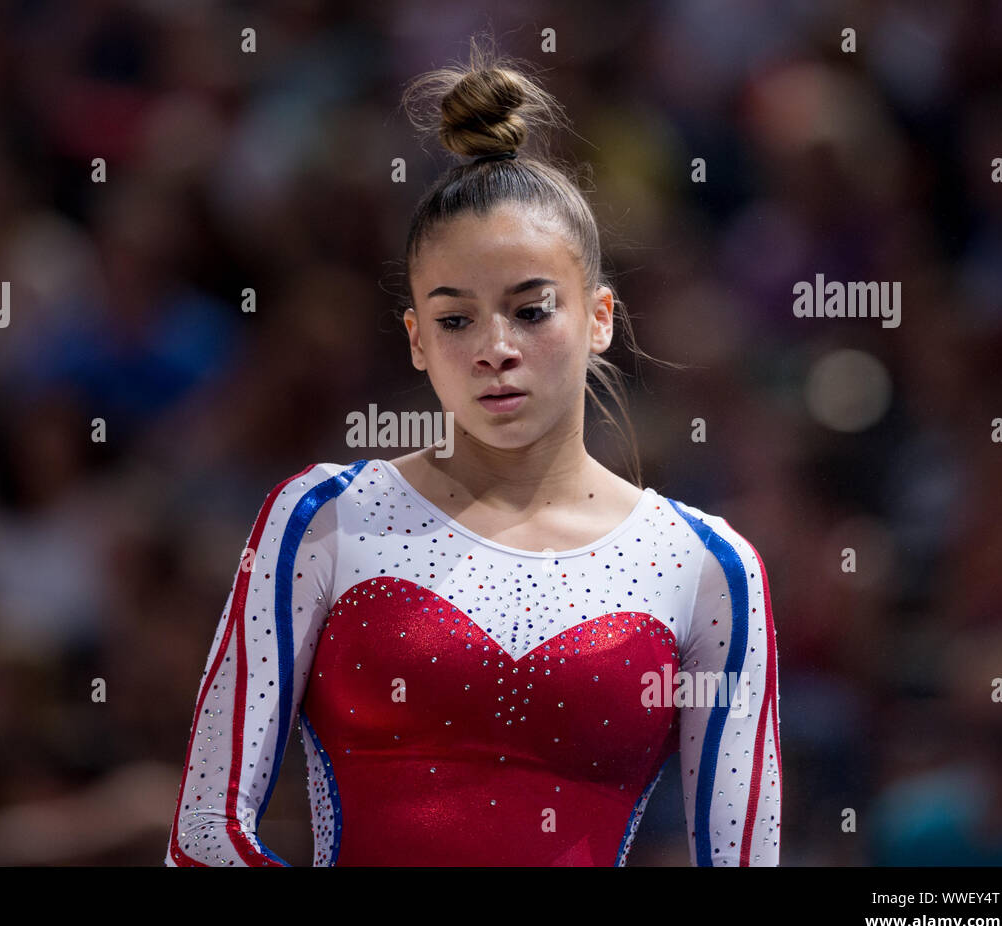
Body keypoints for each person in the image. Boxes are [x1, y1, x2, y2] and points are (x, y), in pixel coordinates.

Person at [166, 38, 781, 866]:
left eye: (531, 310)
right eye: (456, 319)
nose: (494, 347)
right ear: (417, 339)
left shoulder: (704, 567)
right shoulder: (323, 521)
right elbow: (206, 834)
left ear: (599, 317)